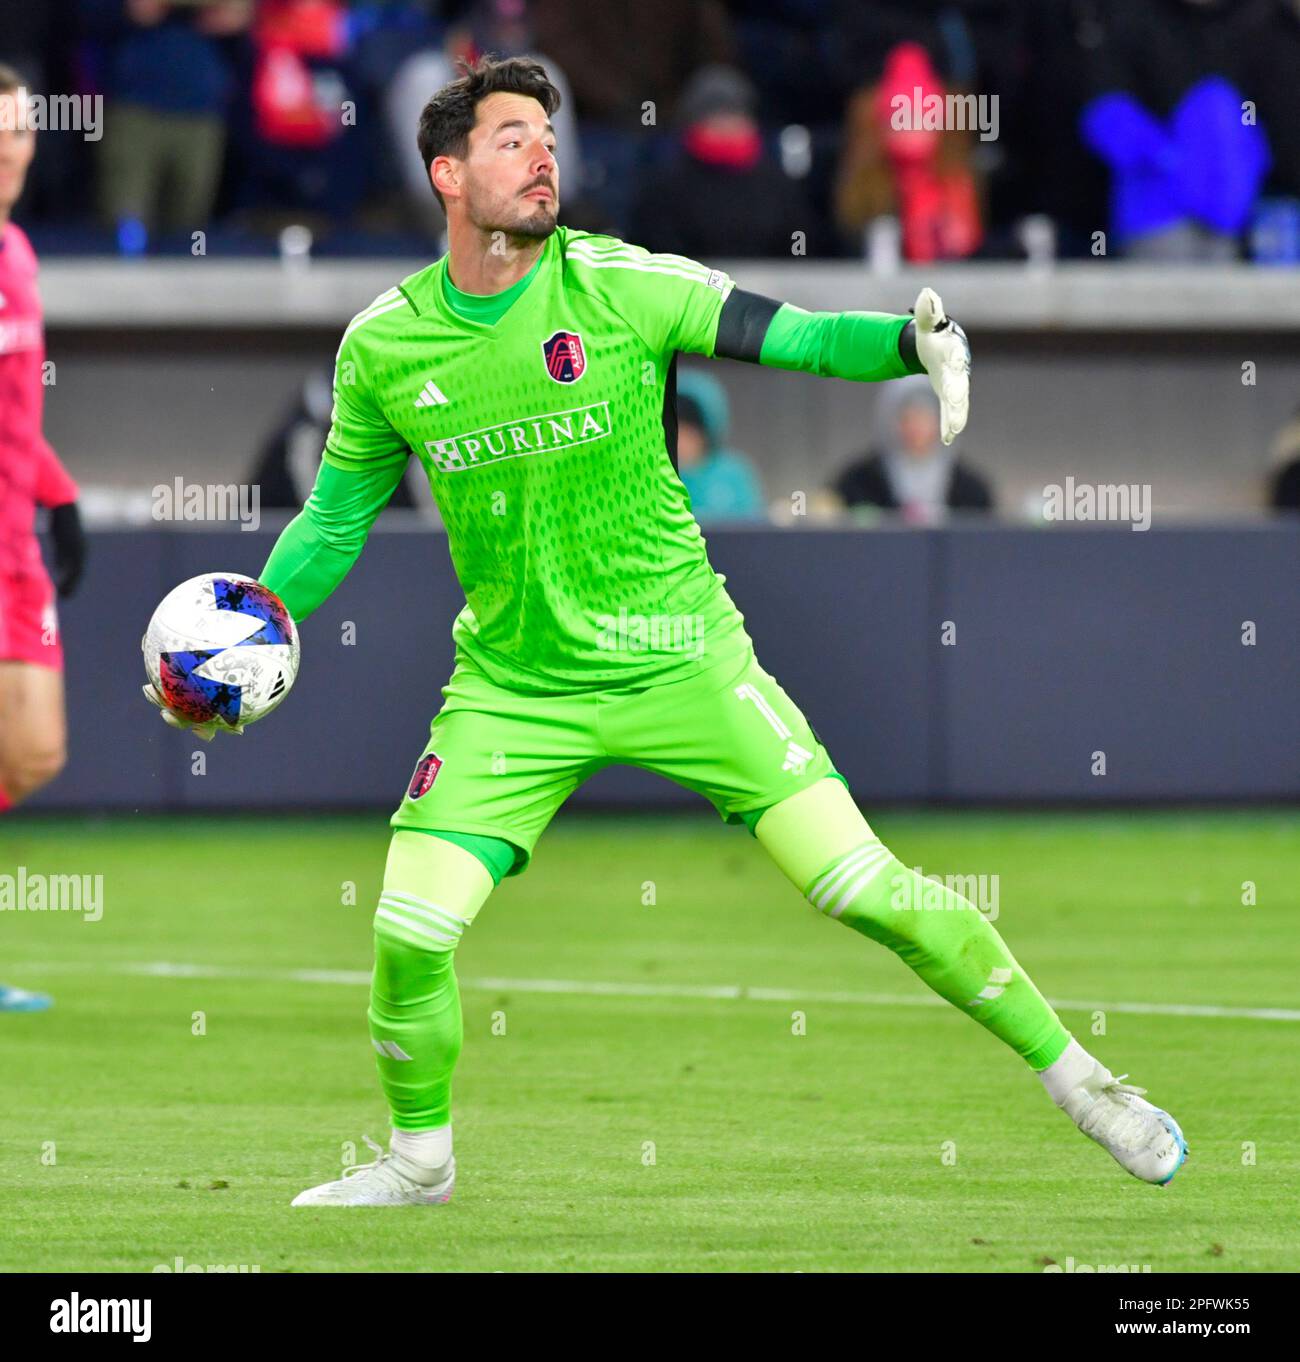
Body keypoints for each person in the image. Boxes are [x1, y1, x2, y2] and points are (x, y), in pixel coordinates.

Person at [146, 56, 1186, 1204]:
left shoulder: (623, 285)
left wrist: (907, 342)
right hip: (516, 689)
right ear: (446, 173)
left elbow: (793, 335)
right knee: (408, 933)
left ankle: (1088, 1086)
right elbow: (336, 520)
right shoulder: (385, 345)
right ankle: (418, 1162)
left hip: (682, 656)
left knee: (868, 891)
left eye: (548, 138)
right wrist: (247, 633)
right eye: (510, 139)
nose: (542, 156)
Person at [0, 65, 87, 1014]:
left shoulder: (16, 252)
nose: (9, 148)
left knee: (32, 751)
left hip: (15, 545)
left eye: (19, 130)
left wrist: (58, 496)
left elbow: (14, 412)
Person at [831, 373, 993, 523]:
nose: (916, 428)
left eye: (924, 418)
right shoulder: (860, 482)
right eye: (907, 418)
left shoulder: (971, 490)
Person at [675, 368, 766, 523]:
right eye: (675, 430)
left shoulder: (733, 475)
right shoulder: (651, 475)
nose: (681, 440)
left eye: (690, 431)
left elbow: (754, 527)